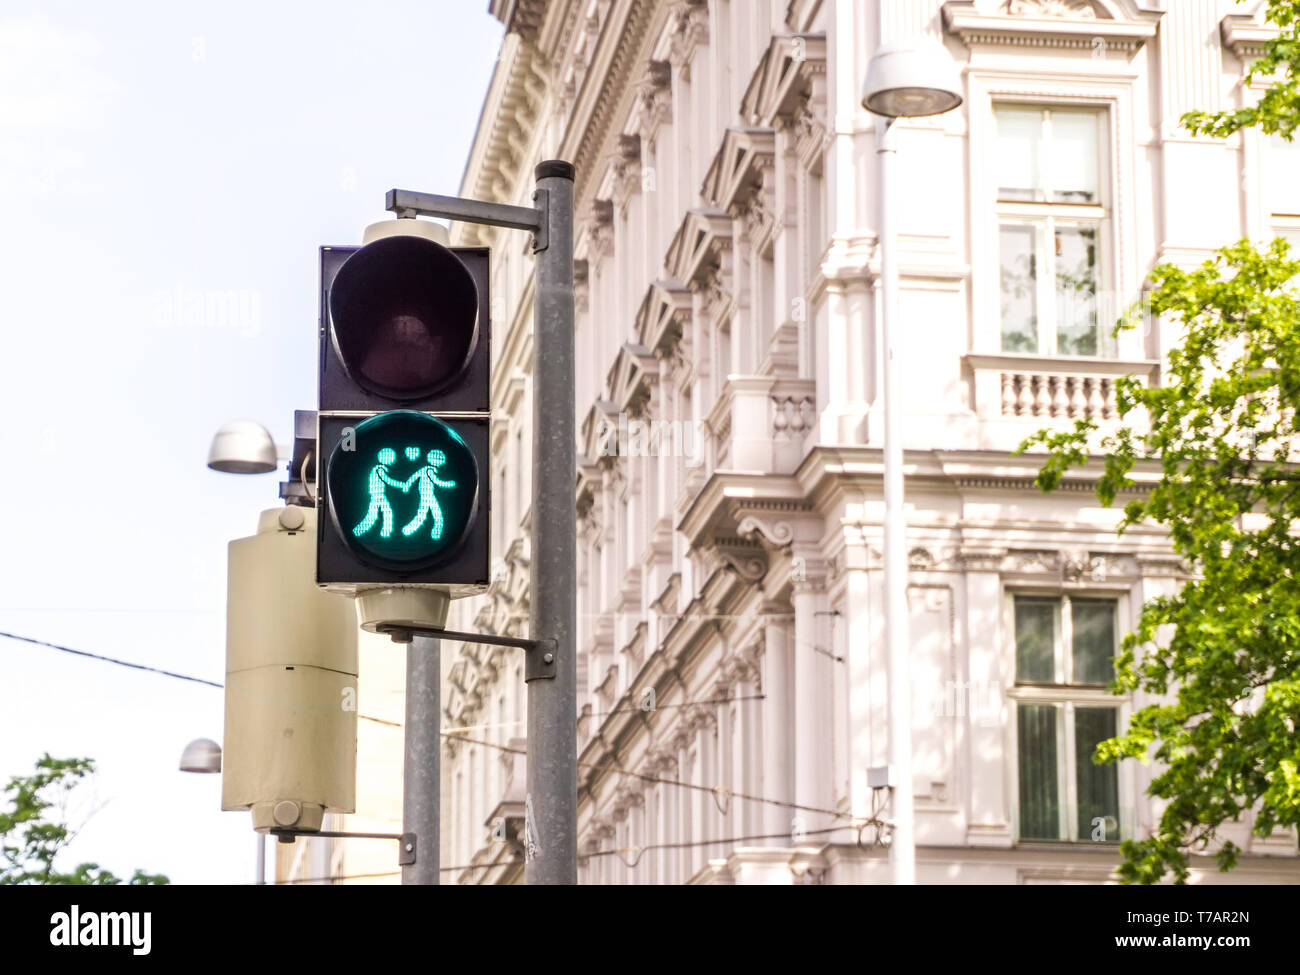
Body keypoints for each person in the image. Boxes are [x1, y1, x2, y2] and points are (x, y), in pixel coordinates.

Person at [401, 448, 456, 540]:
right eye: (439, 459)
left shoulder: (426, 469)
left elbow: (413, 477)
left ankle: (411, 530)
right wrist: (448, 484)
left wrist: (407, 485)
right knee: (427, 515)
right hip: (427, 496)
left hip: (427, 495)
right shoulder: (428, 470)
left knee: (430, 515)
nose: (440, 462)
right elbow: (437, 482)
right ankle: (409, 530)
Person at [353, 448, 407, 539]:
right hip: (377, 495)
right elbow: (388, 480)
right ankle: (383, 531)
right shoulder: (379, 469)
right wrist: (401, 485)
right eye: (391, 457)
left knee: (377, 515)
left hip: (378, 495)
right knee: (380, 514)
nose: (392, 459)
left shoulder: (379, 469)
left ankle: (383, 531)